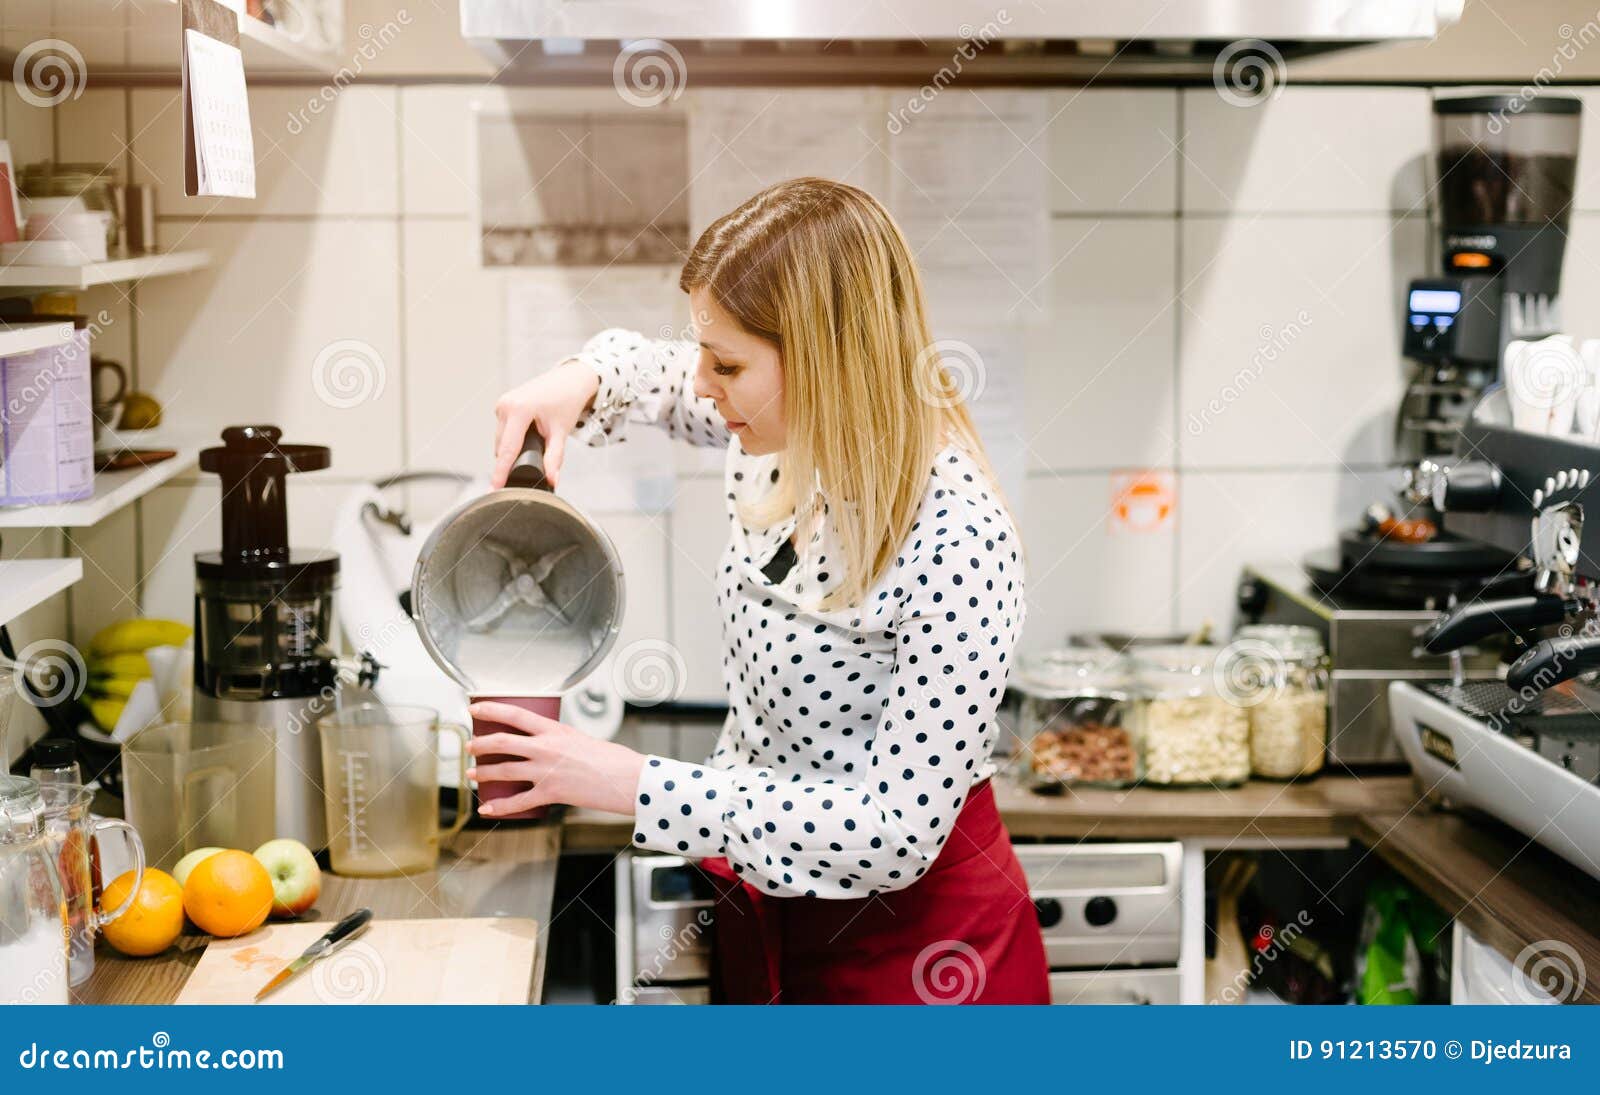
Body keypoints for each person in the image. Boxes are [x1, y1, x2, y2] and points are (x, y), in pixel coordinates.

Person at [469, 177, 1048, 1004]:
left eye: (728, 362)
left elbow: (893, 831)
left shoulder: (956, 533)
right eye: (705, 349)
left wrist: (630, 783)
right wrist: (581, 376)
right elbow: (657, 375)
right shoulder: (778, 430)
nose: (701, 381)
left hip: (918, 953)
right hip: (767, 910)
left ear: (826, 360)